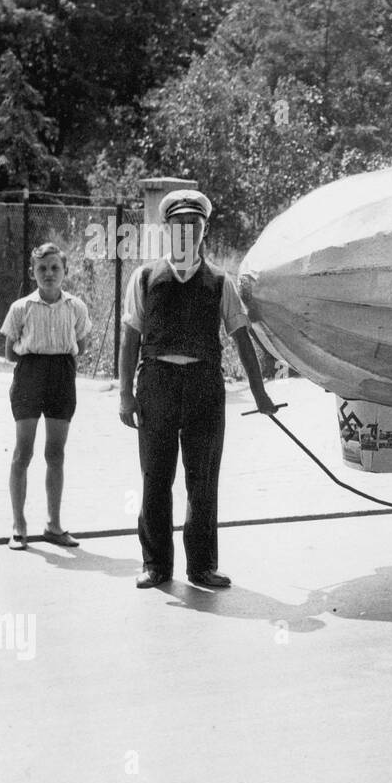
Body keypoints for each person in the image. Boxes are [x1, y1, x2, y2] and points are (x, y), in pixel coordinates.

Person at [118, 189, 277, 589]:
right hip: (156, 384)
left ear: (204, 231)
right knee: (156, 477)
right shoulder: (145, 277)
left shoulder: (220, 282)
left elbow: (241, 337)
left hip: (205, 386)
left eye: (195, 225)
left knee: (202, 479)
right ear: (168, 230)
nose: (187, 232)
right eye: (179, 226)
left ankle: (202, 566)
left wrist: (260, 394)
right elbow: (129, 338)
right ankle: (155, 565)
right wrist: (125, 394)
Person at [0, 242, 92, 550]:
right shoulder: (21, 307)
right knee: (22, 453)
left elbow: (82, 343)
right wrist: (37, 364)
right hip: (29, 376)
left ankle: (54, 524)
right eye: (42, 268)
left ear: (65, 271)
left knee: (55, 453)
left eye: (55, 268)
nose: (49, 274)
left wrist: (58, 364)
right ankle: (19, 525)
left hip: (62, 377)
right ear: (33, 272)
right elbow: (11, 352)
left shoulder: (75, 306)